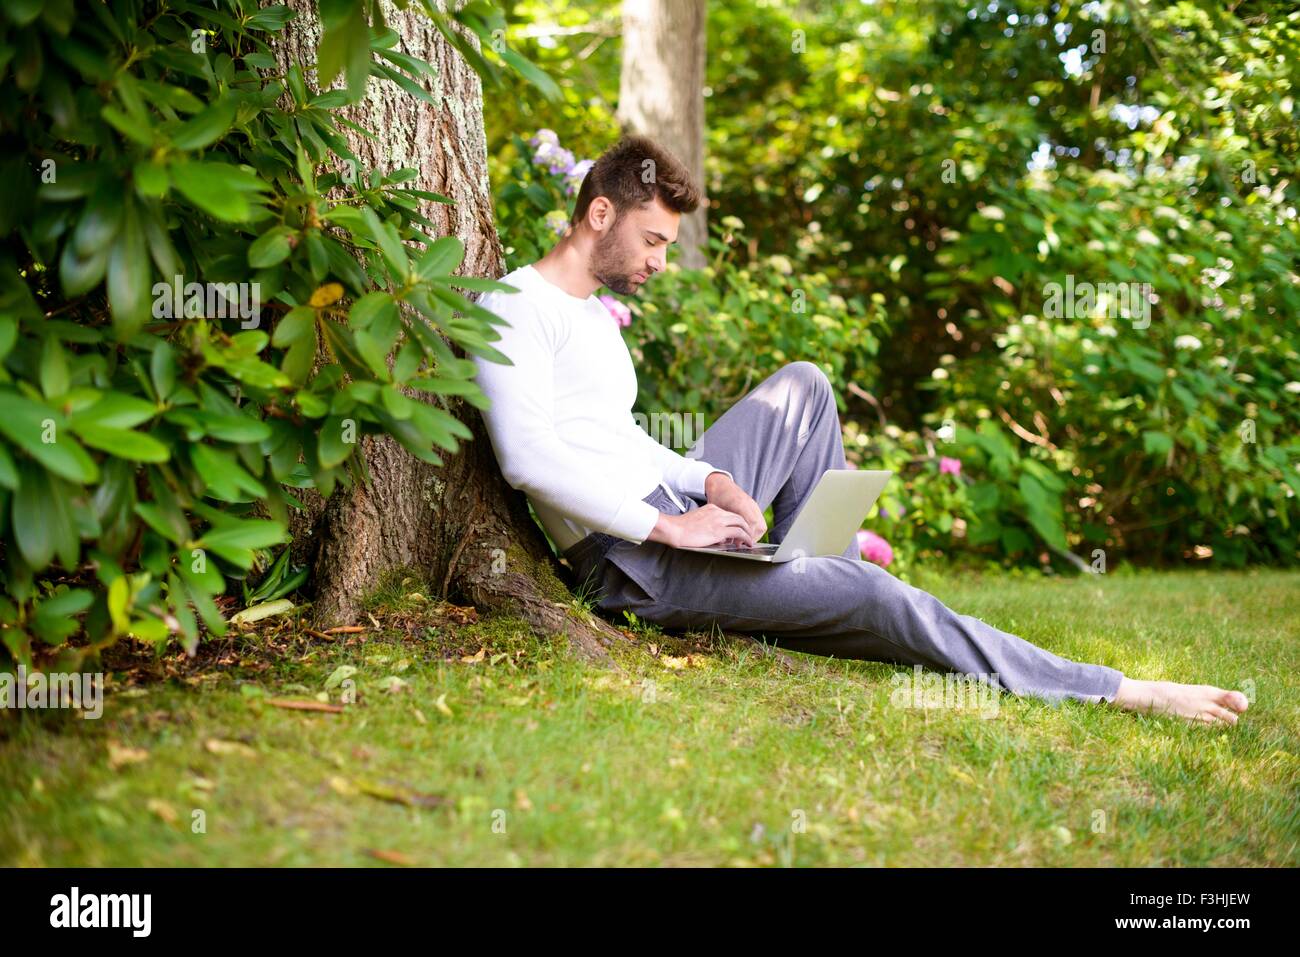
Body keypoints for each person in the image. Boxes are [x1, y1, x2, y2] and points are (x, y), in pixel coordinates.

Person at [471, 135, 1249, 727]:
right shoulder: (514, 305)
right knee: (878, 595)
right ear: (599, 213)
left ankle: (811, 582)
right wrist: (670, 526)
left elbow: (615, 438)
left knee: (802, 386)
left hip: (655, 508)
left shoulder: (593, 320)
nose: (660, 264)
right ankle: (1118, 688)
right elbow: (527, 457)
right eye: (653, 243)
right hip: (628, 560)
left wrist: (707, 481)